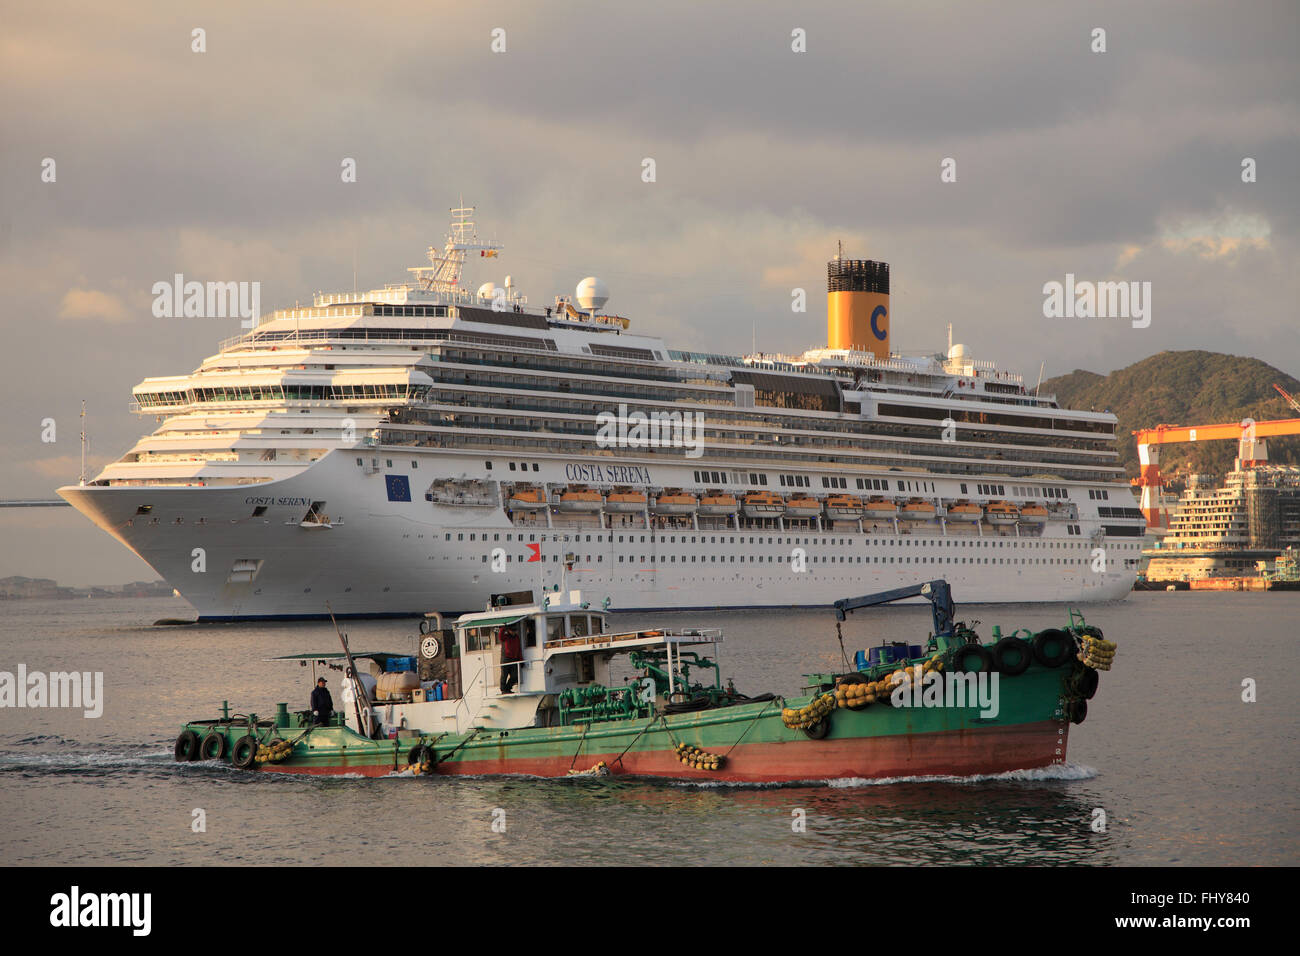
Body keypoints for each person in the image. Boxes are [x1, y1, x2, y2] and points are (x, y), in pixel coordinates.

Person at [499, 625, 522, 694]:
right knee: (504, 675)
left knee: (515, 675)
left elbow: (519, 649)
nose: (513, 632)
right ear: (509, 630)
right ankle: (503, 690)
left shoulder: (516, 637)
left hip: (514, 659)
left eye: (515, 630)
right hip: (505, 658)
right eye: (512, 630)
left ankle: (507, 688)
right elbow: (500, 637)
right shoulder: (505, 636)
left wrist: (520, 659)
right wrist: (503, 628)